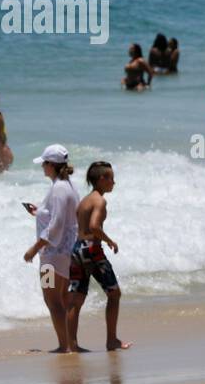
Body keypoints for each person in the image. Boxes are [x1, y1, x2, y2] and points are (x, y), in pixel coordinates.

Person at [67, 161, 130, 352]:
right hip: (91, 249)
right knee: (114, 294)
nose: (114, 182)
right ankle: (111, 341)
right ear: (101, 179)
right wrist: (110, 241)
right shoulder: (99, 201)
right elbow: (94, 226)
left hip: (76, 249)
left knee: (76, 300)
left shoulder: (84, 200)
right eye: (111, 178)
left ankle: (72, 345)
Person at [23, 145, 80, 353]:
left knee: (51, 299)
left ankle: (64, 346)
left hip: (51, 256)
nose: (42, 168)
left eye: (44, 164)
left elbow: (56, 225)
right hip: (65, 252)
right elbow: (62, 217)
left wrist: (34, 248)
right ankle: (68, 343)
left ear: (52, 165)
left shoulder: (57, 189)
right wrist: (39, 212)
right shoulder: (69, 187)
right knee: (61, 298)